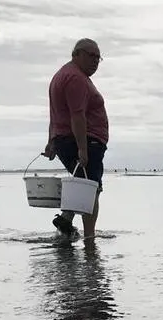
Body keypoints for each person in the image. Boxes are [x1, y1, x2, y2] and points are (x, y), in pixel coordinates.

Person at [42, 38, 109, 240]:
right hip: (85, 141)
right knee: (91, 190)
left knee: (84, 184)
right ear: (76, 54)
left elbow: (56, 113)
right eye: (91, 55)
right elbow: (76, 115)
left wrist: (52, 140)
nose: (95, 61)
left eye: (99, 57)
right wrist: (82, 149)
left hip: (69, 139)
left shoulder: (63, 75)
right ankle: (90, 241)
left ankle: (67, 219)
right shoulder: (75, 78)